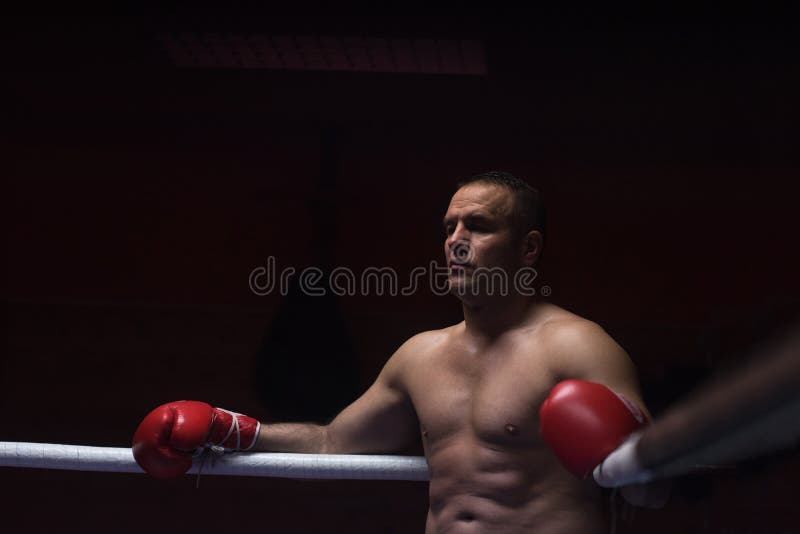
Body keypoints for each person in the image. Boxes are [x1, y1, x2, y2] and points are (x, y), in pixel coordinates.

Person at [133, 171, 669, 533]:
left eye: (478, 226)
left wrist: (638, 463)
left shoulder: (575, 345)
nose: (456, 240)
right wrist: (231, 431)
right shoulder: (420, 356)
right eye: (449, 227)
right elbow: (330, 444)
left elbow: (650, 490)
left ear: (527, 248)